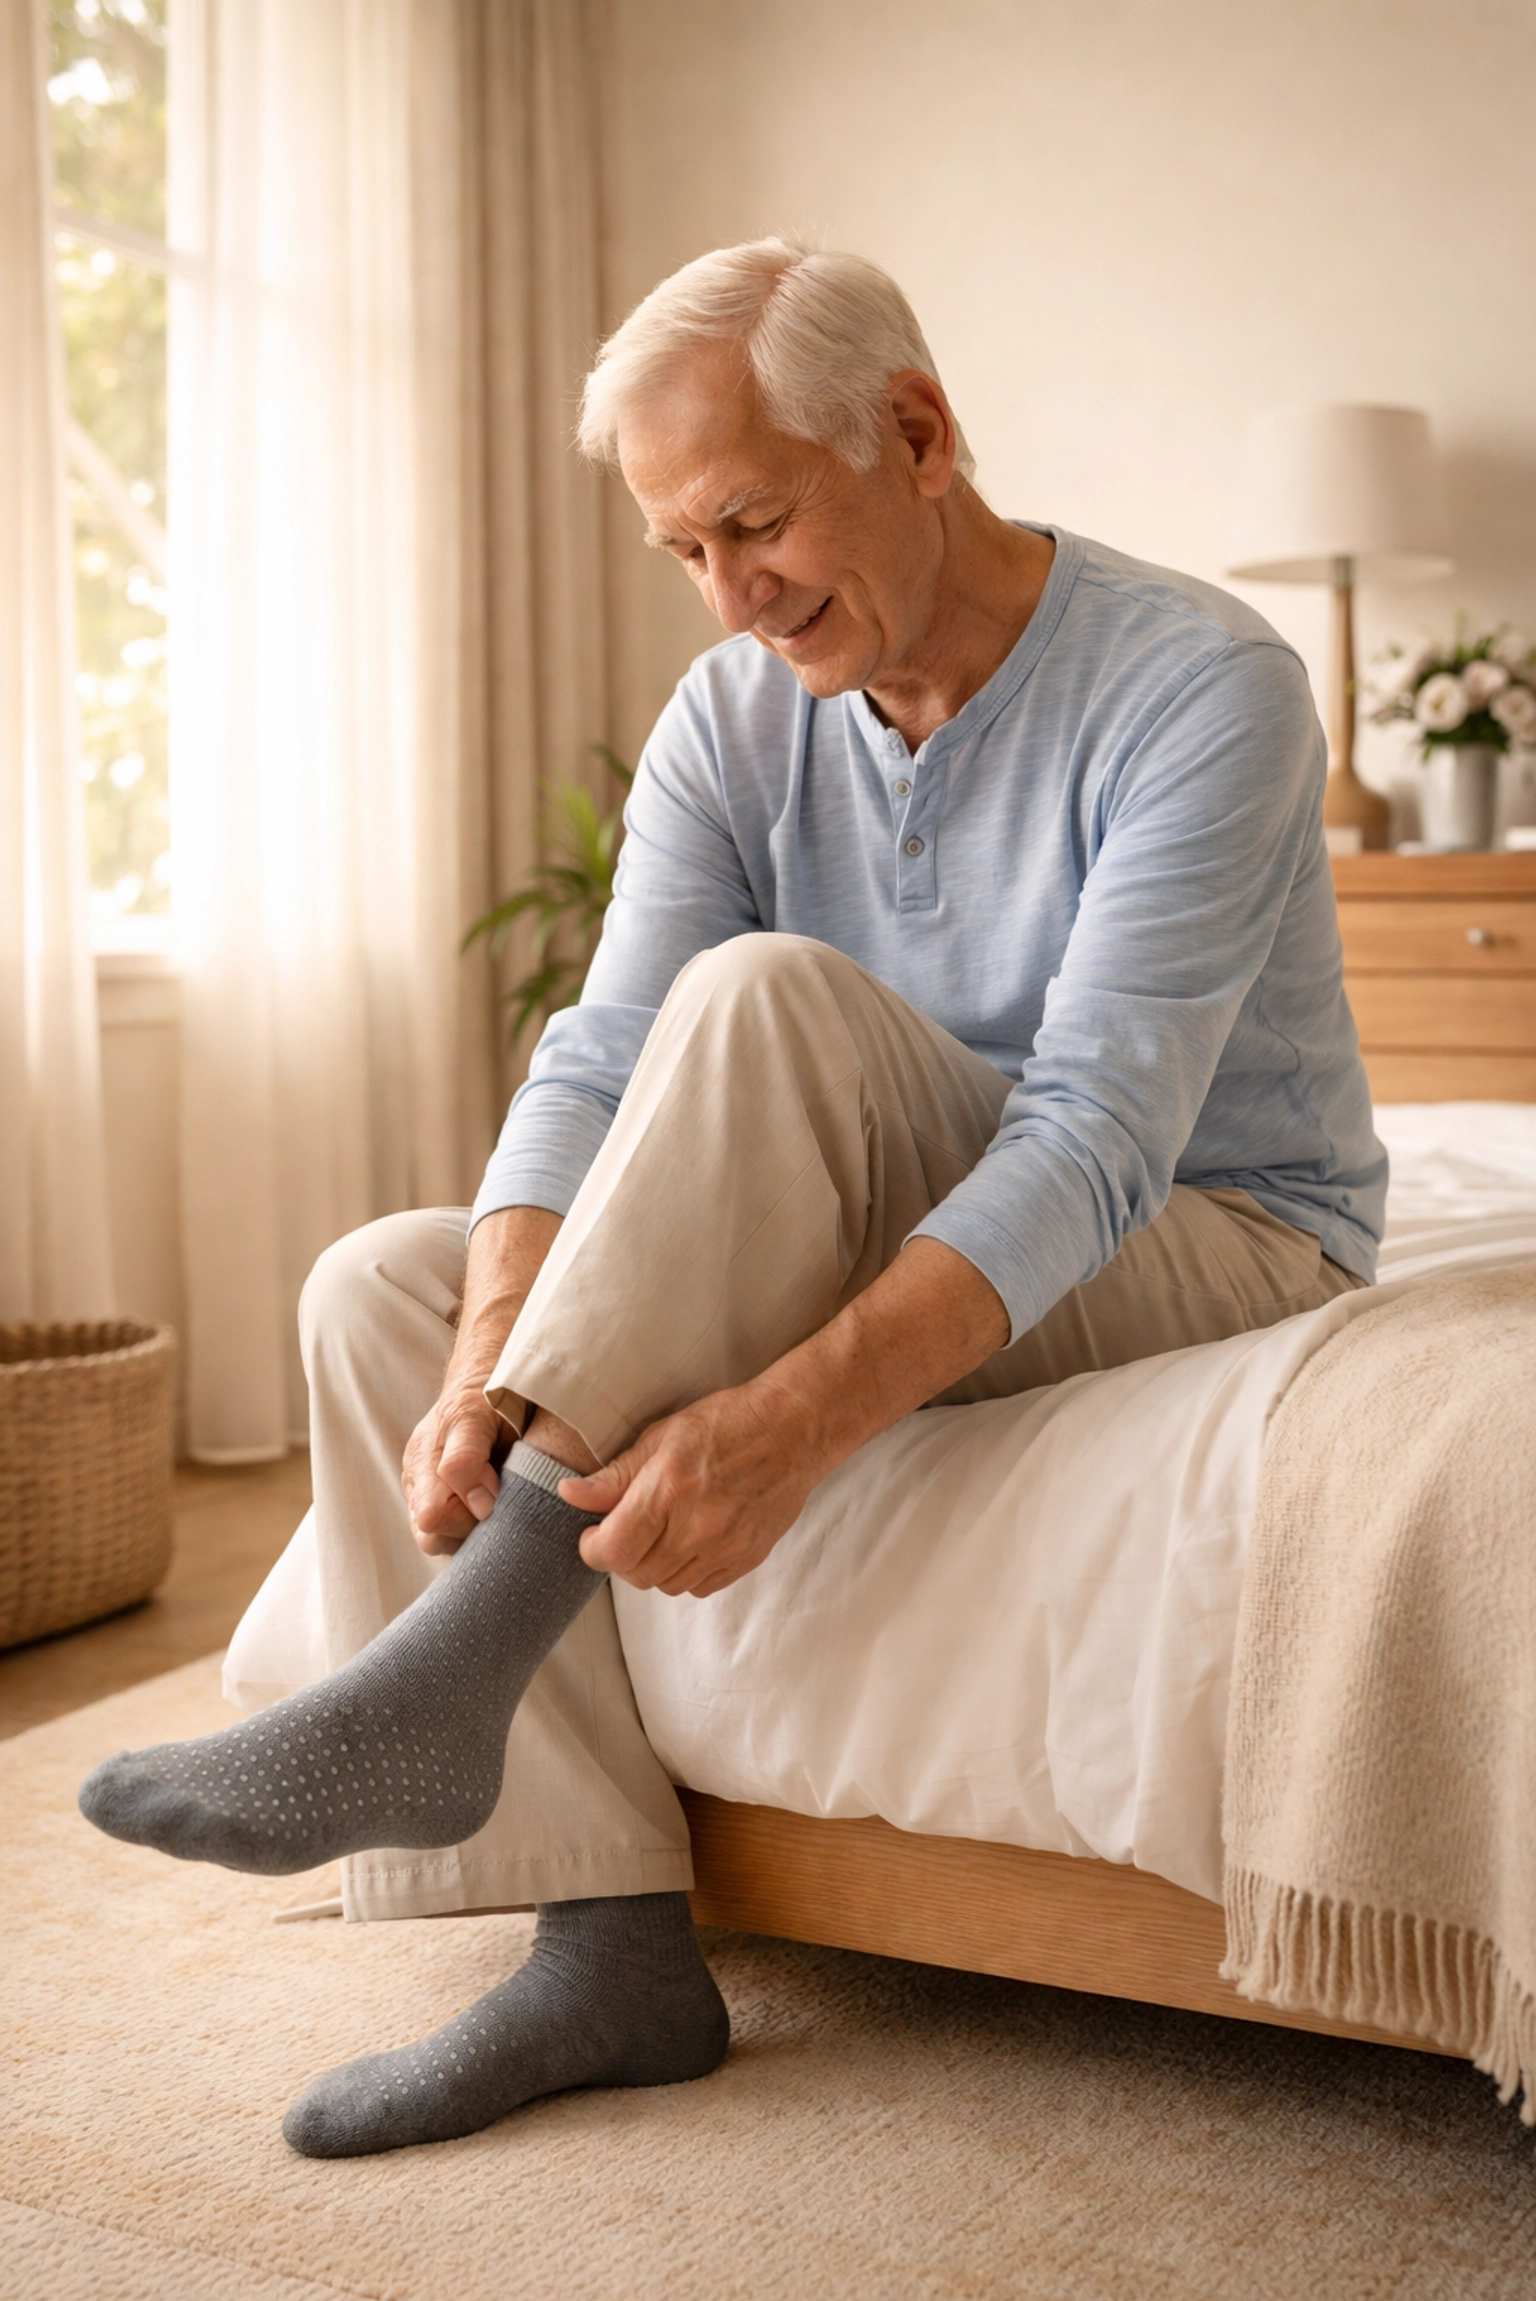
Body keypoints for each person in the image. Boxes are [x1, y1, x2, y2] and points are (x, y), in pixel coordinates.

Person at [81, 237, 1385, 2158]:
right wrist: (491, 1351)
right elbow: (602, 1059)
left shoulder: (1204, 685)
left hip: (1212, 1230)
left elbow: (1099, 1133)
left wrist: (787, 1426)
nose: (731, 591)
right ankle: (607, 1945)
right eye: (684, 550)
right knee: (385, 1285)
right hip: (879, 1186)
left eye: (756, 521)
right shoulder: (732, 715)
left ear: (919, 434)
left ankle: (447, 1665)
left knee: (767, 1000)